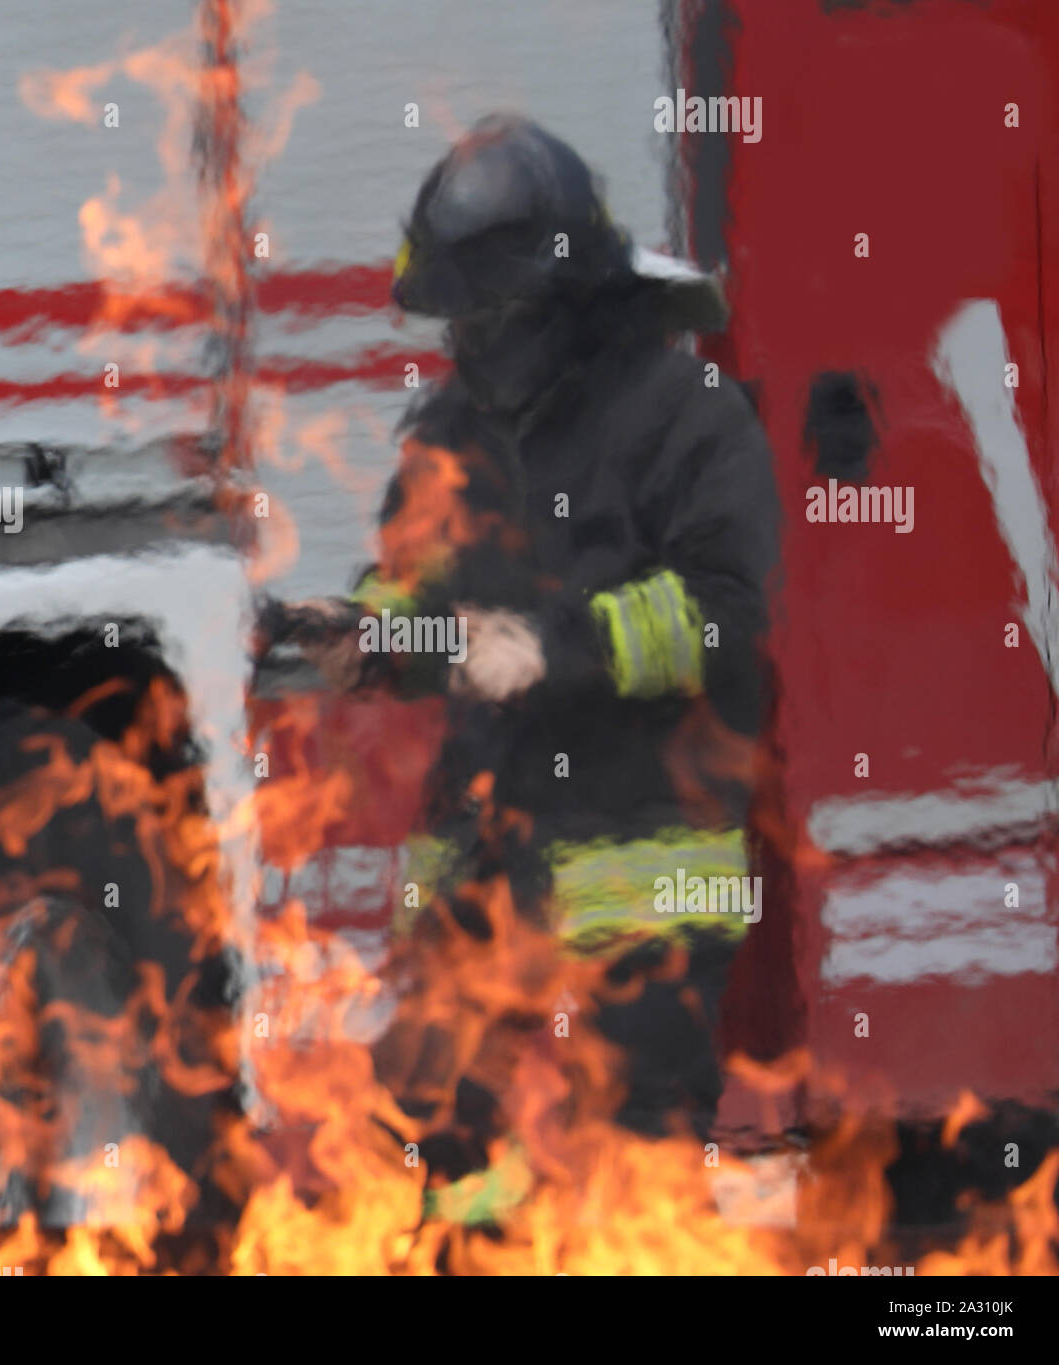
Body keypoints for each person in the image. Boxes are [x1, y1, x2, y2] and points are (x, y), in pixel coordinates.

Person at [310, 113, 781, 1143]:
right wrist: (368, 635)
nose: (470, 343)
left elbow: (726, 612)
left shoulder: (684, 413)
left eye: (493, 317)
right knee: (436, 1142)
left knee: (631, 1177)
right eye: (460, 321)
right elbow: (425, 599)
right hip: (478, 878)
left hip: (638, 889)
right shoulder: (450, 433)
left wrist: (557, 650)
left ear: (565, 301)